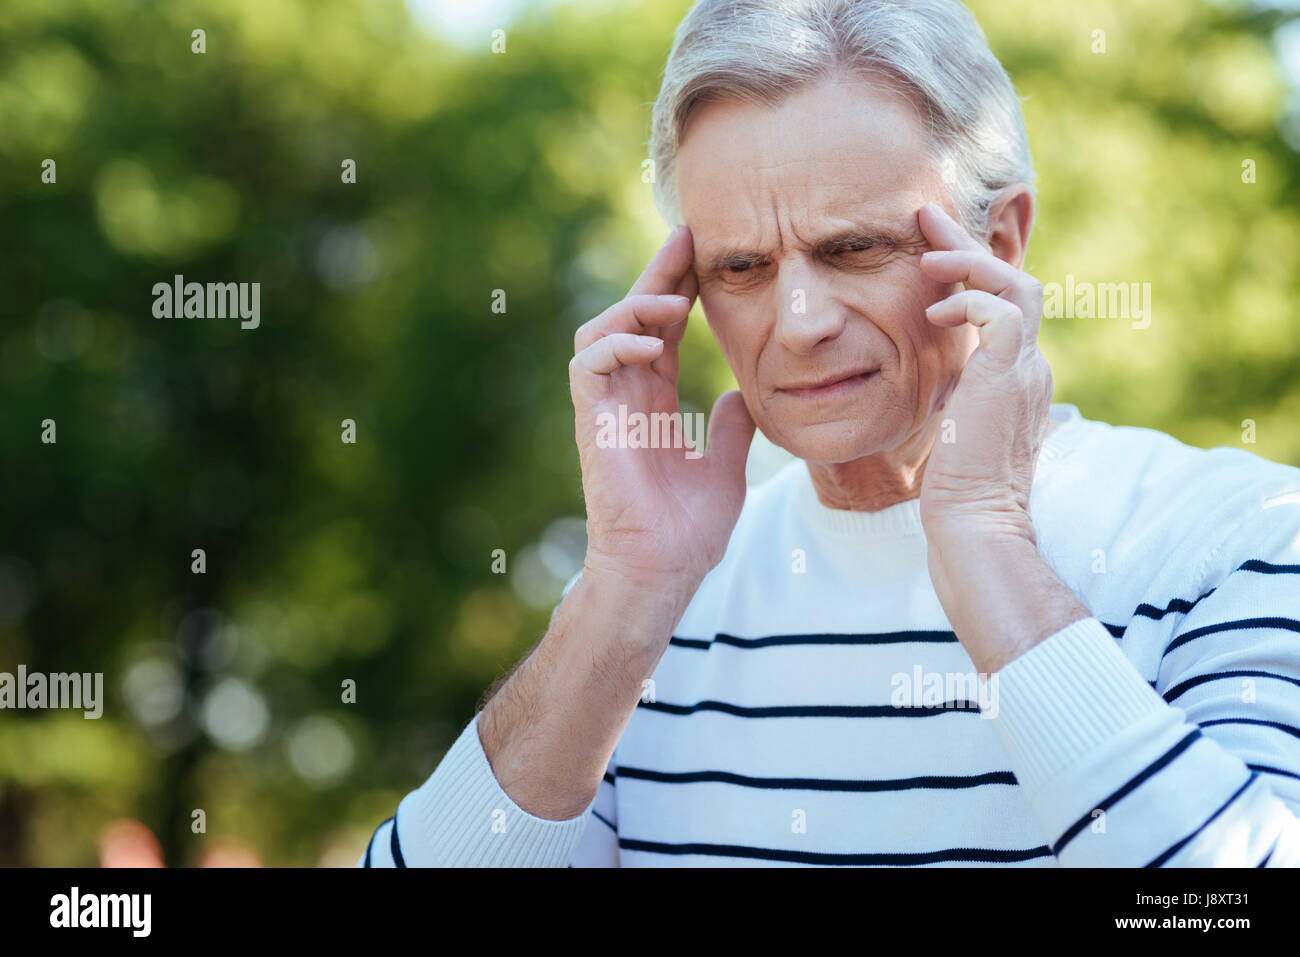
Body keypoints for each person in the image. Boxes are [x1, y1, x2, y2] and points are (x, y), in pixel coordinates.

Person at [361, 0, 1300, 867]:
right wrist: (625, 592)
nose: (800, 319)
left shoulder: (1236, 536)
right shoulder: (645, 617)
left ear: (1001, 245)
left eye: (856, 249)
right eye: (741, 266)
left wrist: (983, 542)